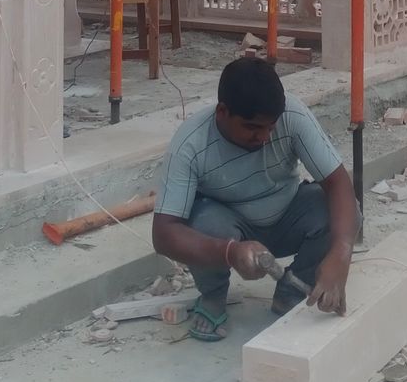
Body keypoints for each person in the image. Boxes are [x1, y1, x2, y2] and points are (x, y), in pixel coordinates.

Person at [152, 55, 359, 341]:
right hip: (231, 233)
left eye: (270, 128)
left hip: (287, 216)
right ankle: (213, 297)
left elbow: (338, 185)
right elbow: (163, 234)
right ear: (222, 112)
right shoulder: (191, 144)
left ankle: (292, 290)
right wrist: (230, 253)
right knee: (202, 223)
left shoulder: (292, 117)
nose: (263, 137)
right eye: (252, 127)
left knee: (338, 210)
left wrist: (342, 251)